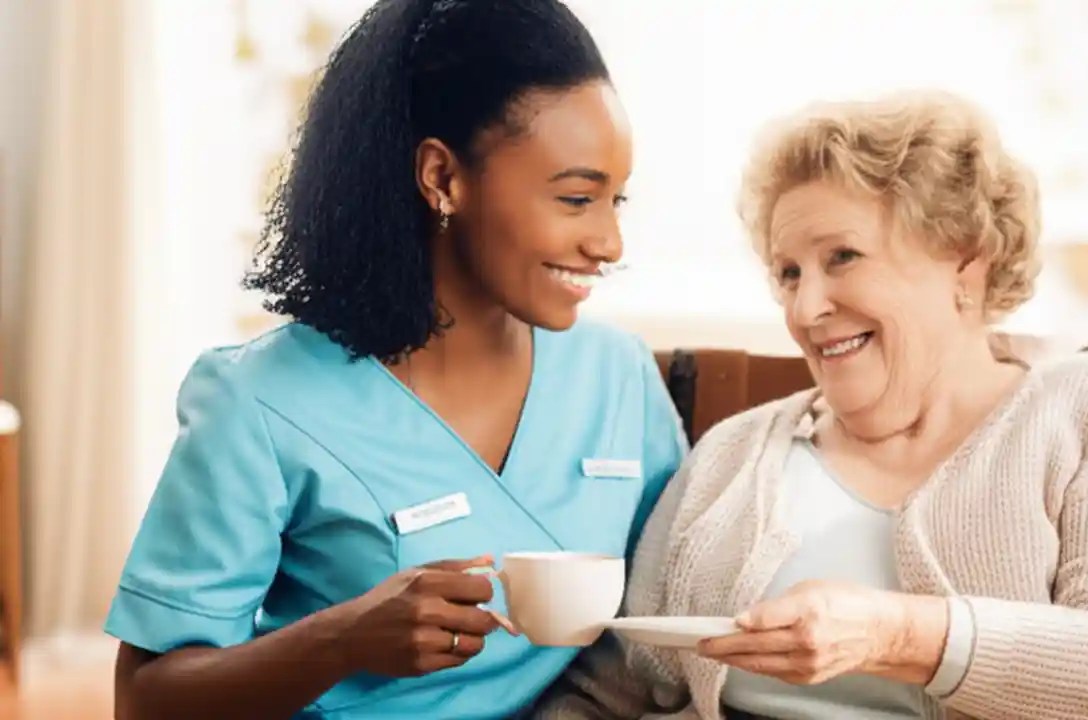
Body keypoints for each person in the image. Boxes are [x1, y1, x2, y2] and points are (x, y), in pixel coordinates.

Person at [535, 91, 1088, 719]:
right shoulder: (733, 456)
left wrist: (894, 635)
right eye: (788, 273)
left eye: (842, 258)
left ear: (966, 261)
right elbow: (610, 691)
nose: (806, 309)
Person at [105, 1, 686, 718]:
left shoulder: (618, 377)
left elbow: (674, 609)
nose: (609, 243)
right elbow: (142, 700)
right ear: (442, 177)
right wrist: (341, 640)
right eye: (575, 198)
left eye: (615, 201)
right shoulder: (259, 399)